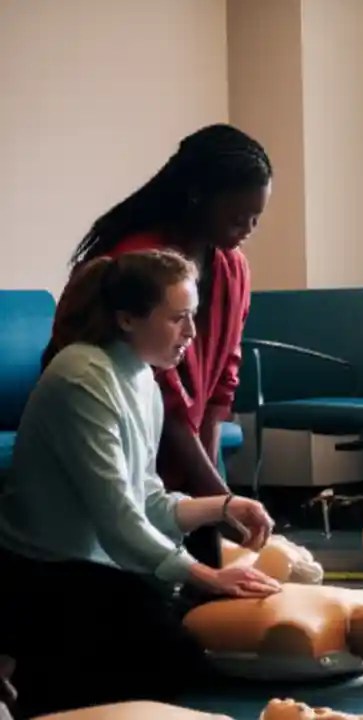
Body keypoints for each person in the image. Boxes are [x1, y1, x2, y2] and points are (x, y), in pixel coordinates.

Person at [0, 251, 280, 719]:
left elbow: (147, 499)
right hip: (46, 573)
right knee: (170, 658)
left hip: (101, 562)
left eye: (192, 317)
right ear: (127, 319)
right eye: (177, 319)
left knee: (186, 622)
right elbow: (118, 519)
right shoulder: (82, 377)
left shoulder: (144, 377)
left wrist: (226, 506)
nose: (191, 333)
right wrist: (209, 577)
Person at [44, 123, 273, 570]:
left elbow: (223, 378)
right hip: (112, 434)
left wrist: (214, 488)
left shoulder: (232, 266)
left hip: (170, 441)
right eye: (236, 217)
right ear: (197, 196)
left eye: (255, 219)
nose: (247, 229)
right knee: (173, 585)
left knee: (213, 573)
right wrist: (217, 499)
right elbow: (163, 404)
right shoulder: (133, 265)